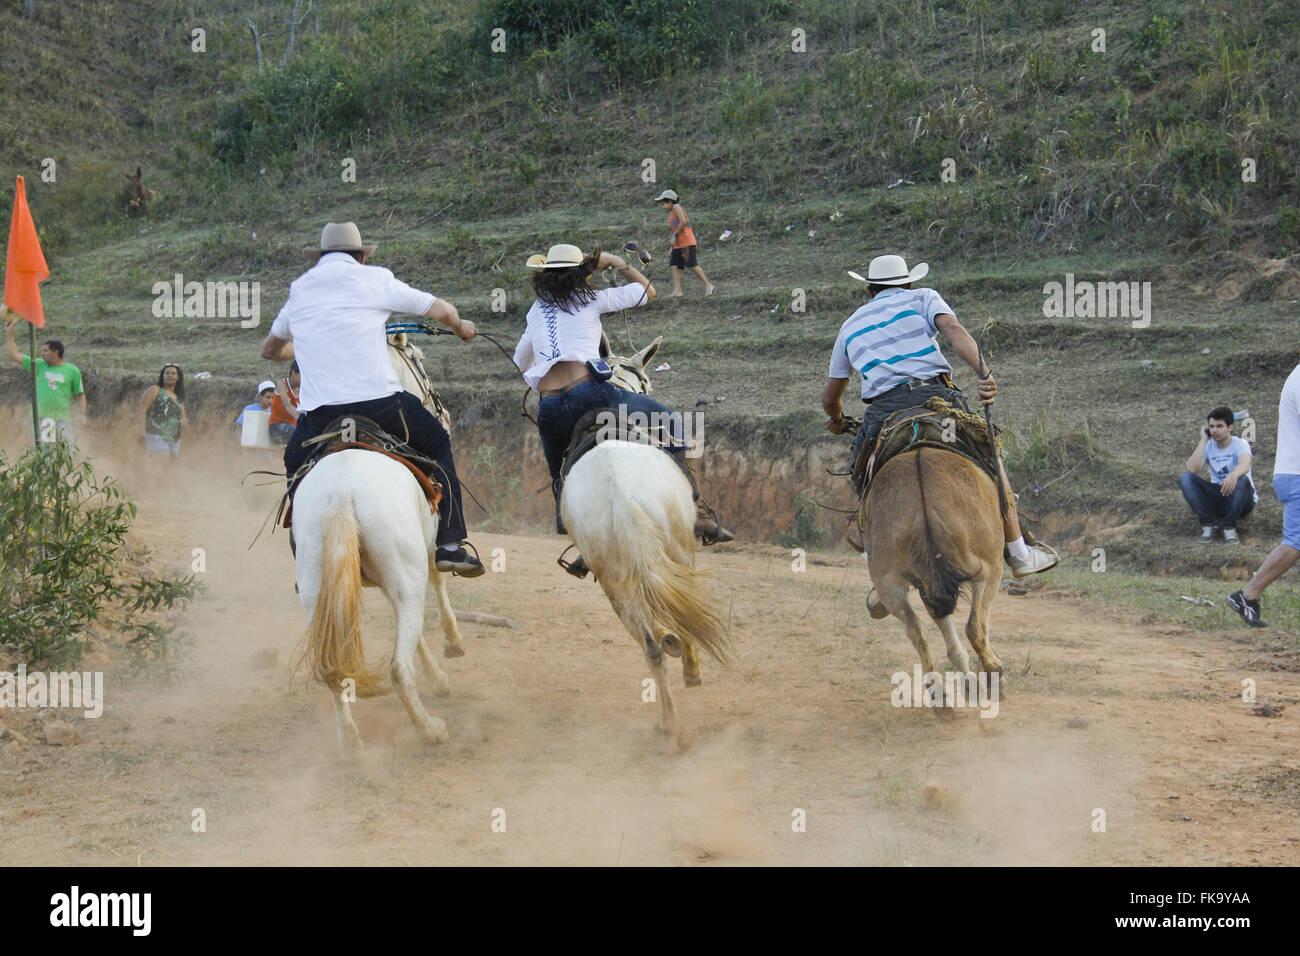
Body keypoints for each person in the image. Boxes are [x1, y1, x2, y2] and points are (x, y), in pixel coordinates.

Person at [822, 254, 1058, 614]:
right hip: (939, 398)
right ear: (909, 284)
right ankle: (1019, 552)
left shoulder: (850, 325)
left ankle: (881, 569)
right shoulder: (923, 298)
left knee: (865, 476)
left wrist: (837, 419)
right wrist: (984, 374)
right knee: (988, 457)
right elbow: (954, 331)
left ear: (869, 290)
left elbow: (832, 394)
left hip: (884, 412)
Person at [260, 221, 484, 577]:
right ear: (361, 256)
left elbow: (269, 350)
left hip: (321, 416)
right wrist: (460, 328)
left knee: (294, 463)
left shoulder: (300, 289)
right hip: (382, 407)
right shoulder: (377, 279)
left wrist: (302, 342)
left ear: (318, 258)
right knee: (438, 444)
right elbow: (440, 310)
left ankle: (303, 555)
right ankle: (450, 544)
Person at [513, 242, 732, 578]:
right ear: (581, 273)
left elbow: (520, 359)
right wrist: (616, 262)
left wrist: (544, 372)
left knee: (559, 471)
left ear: (544, 277)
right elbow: (647, 292)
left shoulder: (535, 310)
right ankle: (696, 509)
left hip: (551, 408)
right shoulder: (591, 299)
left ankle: (575, 530)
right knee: (672, 424)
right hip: (592, 396)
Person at [1228, 364, 1300, 627]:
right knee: (1295, 542)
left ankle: (1248, 595)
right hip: (1297, 474)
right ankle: (1248, 594)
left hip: (1293, 472)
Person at [4, 307, 86, 447]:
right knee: (47, 453)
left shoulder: (72, 371)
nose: (42, 354)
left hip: (62, 418)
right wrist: (9, 334)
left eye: (45, 351)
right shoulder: (39, 365)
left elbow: (80, 395)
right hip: (44, 419)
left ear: (56, 352)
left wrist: (82, 414)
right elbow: (14, 355)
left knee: (69, 451)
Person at [1181, 405, 1255, 543]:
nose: (1214, 430)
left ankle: (1229, 529)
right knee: (1186, 479)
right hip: (1219, 495)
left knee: (1242, 479)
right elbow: (1192, 468)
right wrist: (1203, 440)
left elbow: (1245, 465)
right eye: (1212, 426)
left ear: (1230, 427)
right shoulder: (1209, 446)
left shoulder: (1240, 444)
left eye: (1219, 426)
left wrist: (1233, 476)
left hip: (1241, 499)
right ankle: (1208, 525)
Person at [653, 189, 714, 297]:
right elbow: (677, 229)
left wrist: (674, 235)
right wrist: (672, 249)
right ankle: (678, 291)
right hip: (679, 244)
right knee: (674, 266)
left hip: (687, 242)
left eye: (663, 204)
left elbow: (683, 222)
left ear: (670, 202)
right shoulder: (671, 214)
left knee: (692, 265)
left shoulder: (676, 207)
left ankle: (709, 285)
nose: (662, 206)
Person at [140, 364, 188, 456]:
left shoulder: (178, 397)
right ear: (162, 376)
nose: (169, 375)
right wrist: (141, 432)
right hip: (156, 435)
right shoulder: (155, 390)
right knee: (161, 464)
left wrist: (184, 422)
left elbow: (183, 418)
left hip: (174, 439)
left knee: (170, 468)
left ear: (178, 377)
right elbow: (142, 410)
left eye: (173, 373)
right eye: (167, 373)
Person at [268, 361, 301, 444]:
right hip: (276, 426)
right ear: (293, 373)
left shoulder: (303, 389)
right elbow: (287, 404)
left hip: (294, 426)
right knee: (299, 433)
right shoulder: (282, 384)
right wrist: (300, 421)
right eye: (303, 375)